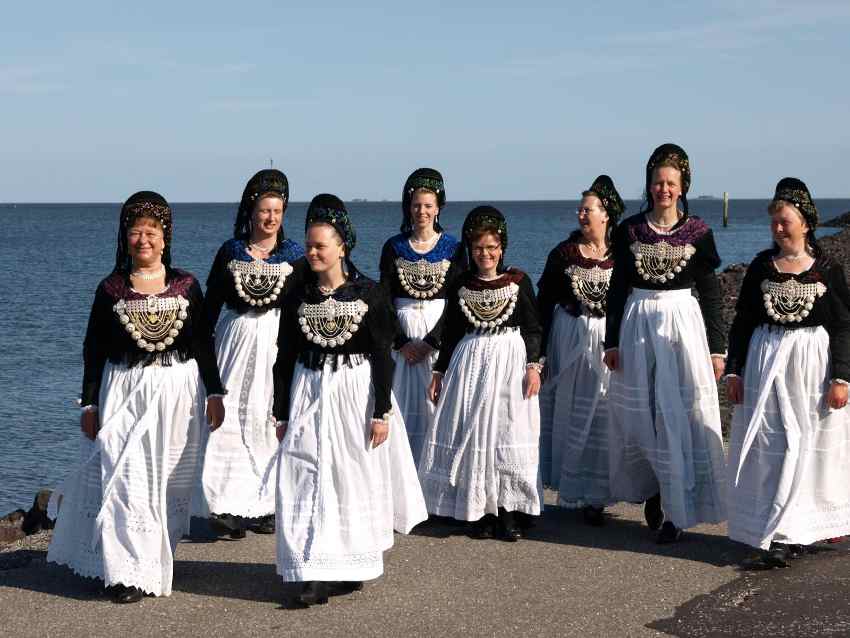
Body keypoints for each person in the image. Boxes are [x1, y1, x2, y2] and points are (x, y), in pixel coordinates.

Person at [47, 191, 225, 603]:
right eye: (135, 231)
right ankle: (126, 573)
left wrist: (215, 392)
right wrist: (89, 403)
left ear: (165, 238)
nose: (143, 239)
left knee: (166, 483)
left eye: (152, 231)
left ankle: (154, 559)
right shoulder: (110, 290)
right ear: (124, 238)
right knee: (124, 478)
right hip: (124, 389)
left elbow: (202, 342)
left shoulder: (186, 285)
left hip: (177, 392)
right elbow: (92, 349)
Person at [272, 194, 427, 606]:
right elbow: (283, 356)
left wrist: (381, 412)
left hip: (352, 392)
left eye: (320, 245)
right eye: (308, 245)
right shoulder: (297, 294)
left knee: (348, 476)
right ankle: (312, 570)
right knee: (305, 474)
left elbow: (382, 356)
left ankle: (348, 565)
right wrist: (280, 411)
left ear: (342, 247)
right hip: (308, 388)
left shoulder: (370, 294)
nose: (312, 252)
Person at [603, 143, 726, 543]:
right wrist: (611, 341)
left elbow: (710, 292)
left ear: (683, 185)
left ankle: (676, 507)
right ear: (649, 185)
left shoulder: (699, 234)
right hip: (637, 323)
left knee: (678, 412)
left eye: (671, 183)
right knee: (644, 413)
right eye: (658, 182)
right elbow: (618, 288)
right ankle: (654, 487)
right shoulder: (630, 231)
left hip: (682, 326)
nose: (664, 189)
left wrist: (717, 348)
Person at [725, 178, 850, 567]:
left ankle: (792, 531)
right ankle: (778, 533)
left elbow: (844, 325)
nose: (779, 229)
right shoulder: (763, 266)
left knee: (806, 448)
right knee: (774, 445)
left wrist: (842, 377)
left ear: (806, 223)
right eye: (775, 222)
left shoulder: (827, 269)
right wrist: (734, 371)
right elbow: (744, 320)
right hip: (766, 363)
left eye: (786, 221)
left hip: (810, 366)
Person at [419, 206, 544, 541]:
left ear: (501, 247)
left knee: (506, 433)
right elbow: (452, 330)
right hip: (470, 361)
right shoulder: (461, 284)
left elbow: (533, 328)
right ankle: (478, 512)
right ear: (470, 251)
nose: (485, 254)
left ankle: (509, 512)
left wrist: (533, 367)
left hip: (509, 361)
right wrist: (439, 370)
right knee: (472, 433)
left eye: (491, 247)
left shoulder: (519, 282)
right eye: (478, 249)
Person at [197, 169, 305, 538]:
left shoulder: (295, 255)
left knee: (267, 419)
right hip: (236, 339)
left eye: (277, 210)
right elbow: (209, 307)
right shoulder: (230, 251)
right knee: (228, 419)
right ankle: (223, 504)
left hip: (276, 341)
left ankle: (265, 504)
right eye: (264, 210)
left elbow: (308, 303)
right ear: (251, 211)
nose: (271, 217)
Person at [538, 175, 623, 526]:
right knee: (574, 411)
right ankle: (573, 488)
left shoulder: (623, 256)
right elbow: (544, 303)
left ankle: (599, 494)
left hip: (609, 342)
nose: (581, 215)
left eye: (587, 209)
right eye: (580, 209)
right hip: (571, 341)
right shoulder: (563, 254)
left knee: (605, 412)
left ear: (606, 215)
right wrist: (538, 355)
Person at [379, 168, 466, 463]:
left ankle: (434, 480)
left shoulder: (454, 248)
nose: (422, 211)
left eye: (428, 205)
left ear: (438, 207)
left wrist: (432, 341)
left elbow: (458, 301)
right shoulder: (394, 247)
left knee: (436, 407)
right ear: (408, 207)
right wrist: (400, 341)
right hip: (402, 343)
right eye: (416, 205)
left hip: (437, 338)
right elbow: (385, 299)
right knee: (401, 407)